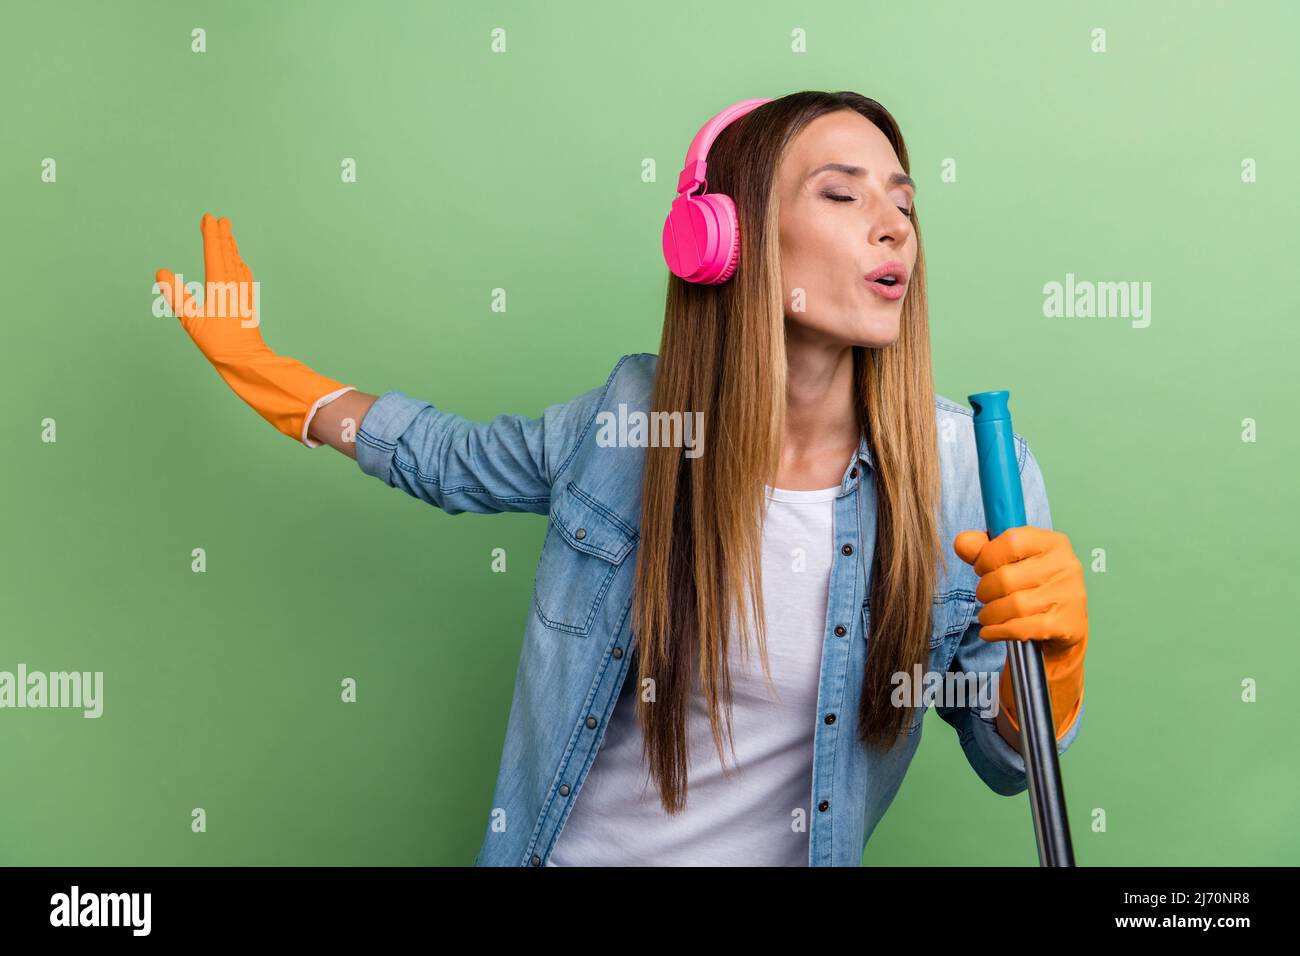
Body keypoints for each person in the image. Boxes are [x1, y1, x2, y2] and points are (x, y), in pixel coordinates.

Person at [154, 90, 1088, 867]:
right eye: (842, 197)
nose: (892, 228)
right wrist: (280, 382)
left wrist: (1051, 670)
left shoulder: (966, 472)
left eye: (905, 203)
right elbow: (450, 459)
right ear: (720, 239)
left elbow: (1010, 762)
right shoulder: (633, 421)